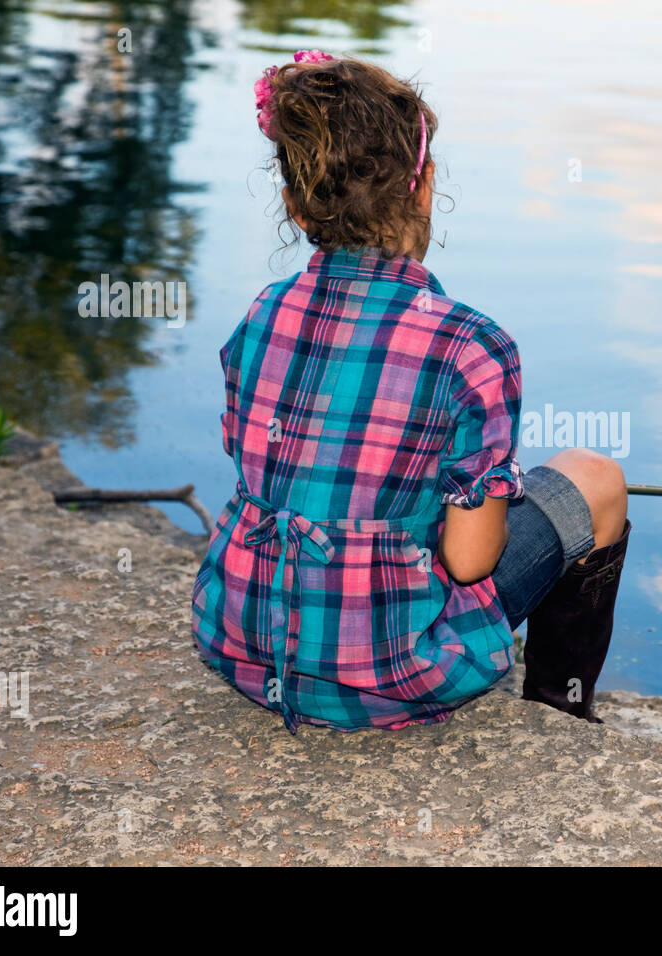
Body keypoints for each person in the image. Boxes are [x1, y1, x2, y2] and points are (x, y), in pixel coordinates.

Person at [191, 51, 630, 733]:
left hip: (248, 650)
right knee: (596, 477)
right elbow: (469, 558)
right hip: (386, 674)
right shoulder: (471, 346)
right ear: (422, 189)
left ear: (296, 205)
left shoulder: (259, 316)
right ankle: (562, 715)